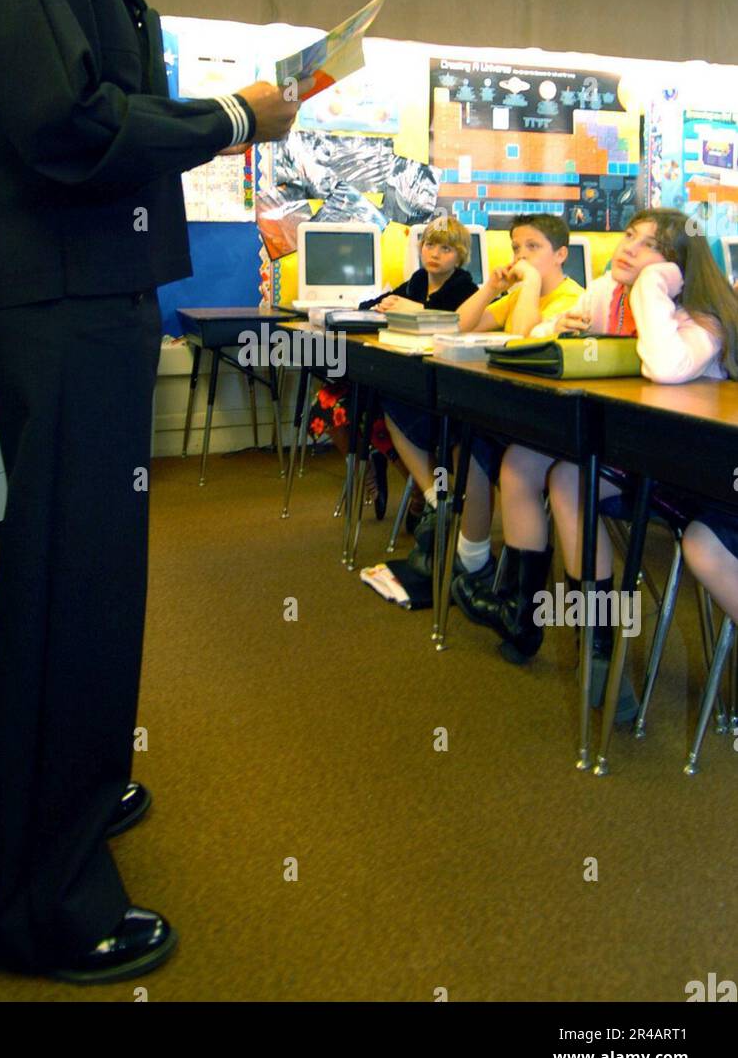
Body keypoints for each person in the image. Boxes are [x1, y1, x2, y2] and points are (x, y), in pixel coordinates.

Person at [0, 0, 309, 984]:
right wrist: (230, 118)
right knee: (64, 592)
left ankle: (74, 802)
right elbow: (70, 124)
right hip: (65, 301)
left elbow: (79, 111)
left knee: (86, 583)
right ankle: (31, 906)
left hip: (80, 297)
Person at [453, 209, 738, 713]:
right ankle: (601, 649)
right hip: (633, 458)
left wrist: (651, 287)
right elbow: (532, 337)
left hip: (694, 474)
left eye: (650, 248)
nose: (630, 249)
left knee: (560, 473)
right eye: (630, 236)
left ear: (676, 270)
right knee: (565, 477)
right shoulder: (607, 292)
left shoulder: (700, 318)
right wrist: (557, 324)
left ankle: (590, 644)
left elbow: (667, 368)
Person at [408, 214, 583, 581]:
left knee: (470, 441)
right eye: (517, 248)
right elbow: (459, 324)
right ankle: (472, 554)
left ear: (561, 254)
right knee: (460, 435)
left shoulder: (571, 298)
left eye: (533, 247)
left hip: (549, 425)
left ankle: (473, 559)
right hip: (514, 410)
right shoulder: (519, 294)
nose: (521, 256)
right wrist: (490, 288)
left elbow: (523, 338)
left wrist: (531, 283)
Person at [307, 215, 476, 520]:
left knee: (388, 410)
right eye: (430, 245)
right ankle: (372, 466)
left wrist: (416, 310)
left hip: (431, 393)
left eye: (446, 249)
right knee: (327, 402)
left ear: (460, 256)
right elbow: (368, 306)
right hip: (395, 381)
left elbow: (458, 325)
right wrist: (380, 307)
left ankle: (422, 490)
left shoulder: (465, 289)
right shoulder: (417, 281)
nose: (435, 254)